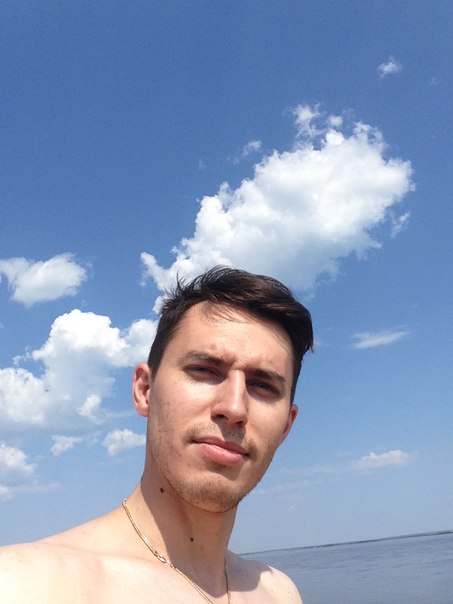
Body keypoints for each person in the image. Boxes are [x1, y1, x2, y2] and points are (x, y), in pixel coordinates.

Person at [0, 266, 313, 603]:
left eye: (263, 386)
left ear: (286, 427)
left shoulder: (278, 592)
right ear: (145, 391)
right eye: (205, 371)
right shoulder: (28, 584)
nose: (235, 407)